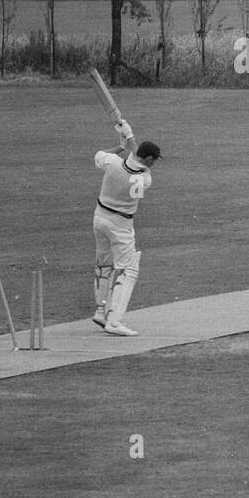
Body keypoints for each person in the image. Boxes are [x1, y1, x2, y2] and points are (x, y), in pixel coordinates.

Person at [92, 119, 161, 338]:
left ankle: (101, 311)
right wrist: (129, 138)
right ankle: (114, 321)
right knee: (128, 269)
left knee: (104, 266)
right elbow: (136, 162)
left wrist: (122, 144)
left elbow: (100, 155)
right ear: (149, 159)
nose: (155, 163)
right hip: (121, 226)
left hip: (100, 219)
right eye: (155, 160)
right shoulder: (144, 179)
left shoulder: (112, 162)